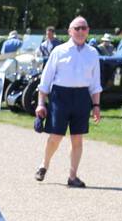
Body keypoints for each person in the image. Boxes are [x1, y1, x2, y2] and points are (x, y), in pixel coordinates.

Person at [35, 16, 102, 188]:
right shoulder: (59, 51)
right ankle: (44, 165)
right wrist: (41, 103)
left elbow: (95, 83)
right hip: (60, 96)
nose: (80, 31)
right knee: (55, 137)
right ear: (70, 31)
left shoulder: (93, 53)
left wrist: (96, 106)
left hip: (81, 97)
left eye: (84, 28)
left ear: (88, 31)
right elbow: (46, 79)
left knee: (77, 139)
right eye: (77, 28)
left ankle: (72, 176)